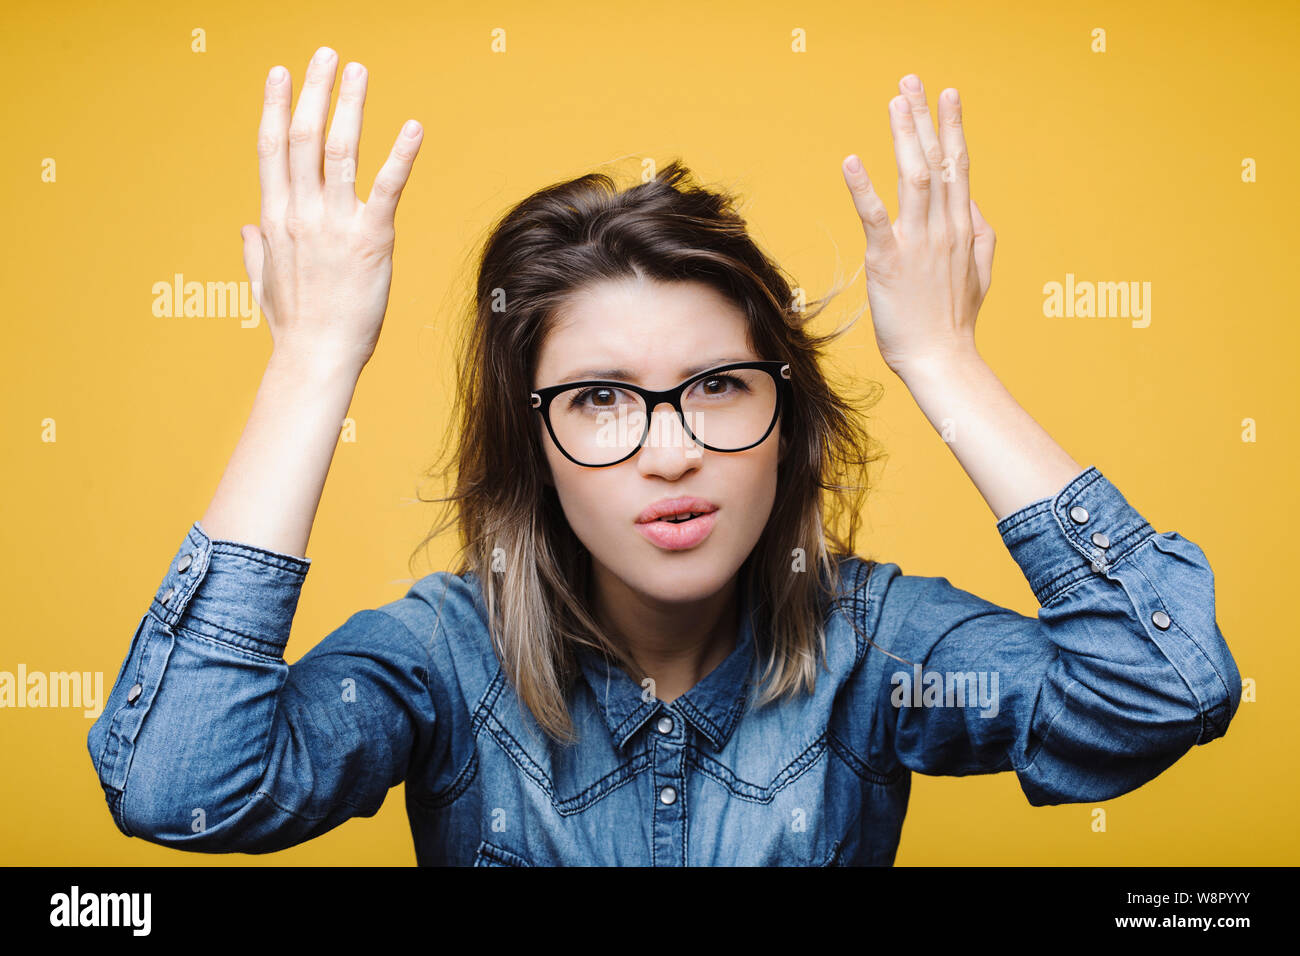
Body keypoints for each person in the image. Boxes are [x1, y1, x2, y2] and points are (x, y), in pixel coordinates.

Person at [86, 48, 1241, 866]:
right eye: (599, 399)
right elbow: (183, 786)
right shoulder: (439, 659)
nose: (674, 451)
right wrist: (311, 362)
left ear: (784, 428)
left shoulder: (878, 647)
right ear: (534, 447)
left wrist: (945, 361)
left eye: (717, 388)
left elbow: (1161, 686)